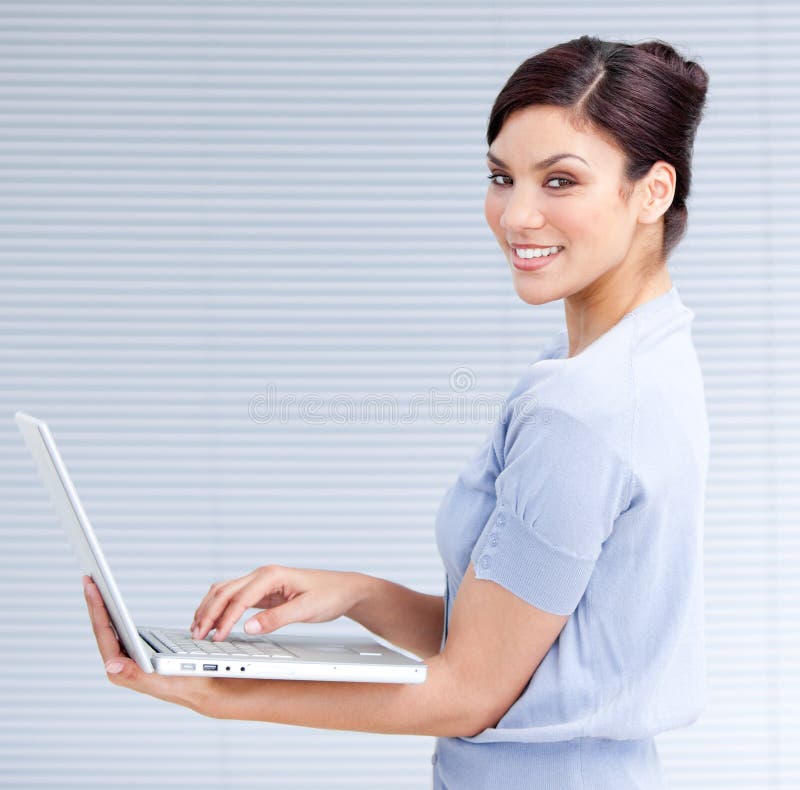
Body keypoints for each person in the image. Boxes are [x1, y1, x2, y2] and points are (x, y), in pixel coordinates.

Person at [83, 34, 711, 789]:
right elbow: (529, 643)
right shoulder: (642, 356)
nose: (516, 216)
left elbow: (471, 692)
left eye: (560, 182)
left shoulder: (587, 408)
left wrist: (220, 691)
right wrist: (358, 594)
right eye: (501, 176)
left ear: (654, 192)